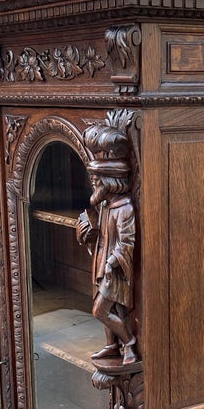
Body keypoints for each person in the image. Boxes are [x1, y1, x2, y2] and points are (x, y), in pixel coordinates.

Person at [78, 154, 138, 366]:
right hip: (101, 262)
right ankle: (112, 345)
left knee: (100, 311)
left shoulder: (124, 208)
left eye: (97, 181)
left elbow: (127, 242)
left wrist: (112, 263)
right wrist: (87, 233)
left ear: (109, 182)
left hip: (115, 268)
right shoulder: (105, 205)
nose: (93, 185)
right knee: (105, 307)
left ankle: (129, 343)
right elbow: (101, 234)